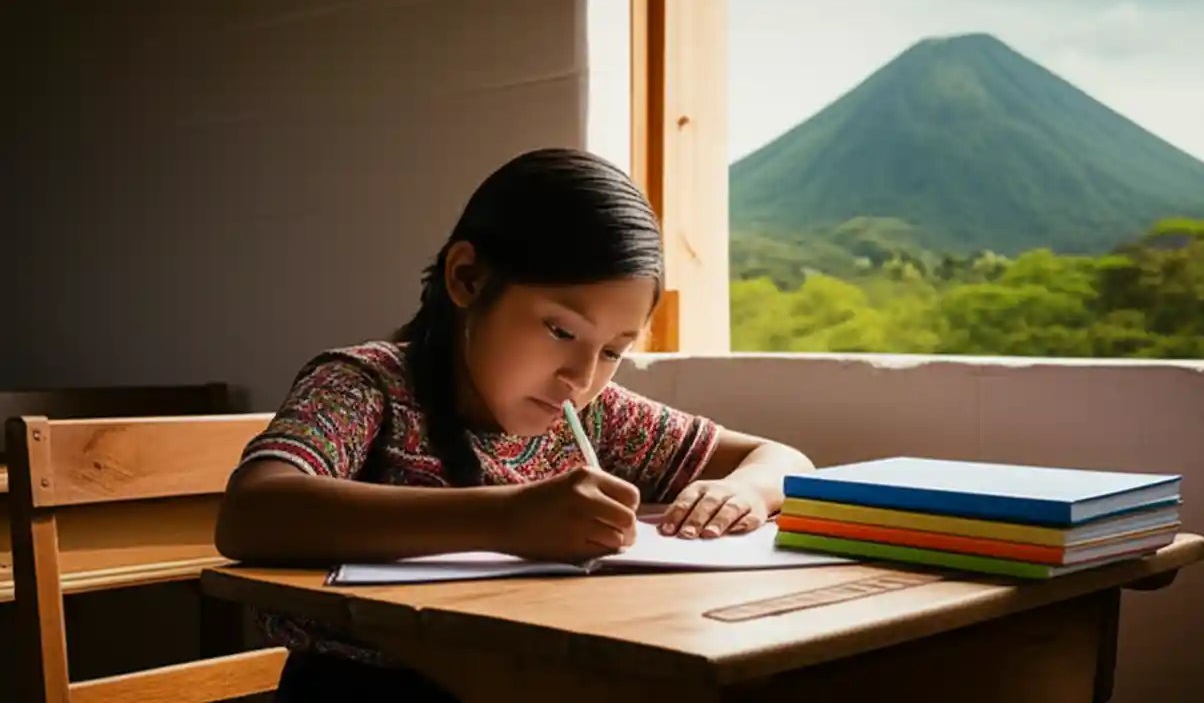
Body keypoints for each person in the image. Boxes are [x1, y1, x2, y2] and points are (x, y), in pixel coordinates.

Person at [214, 147, 816, 700]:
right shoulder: (368, 385)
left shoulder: (594, 414)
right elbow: (252, 513)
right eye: (561, 331)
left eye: (613, 351)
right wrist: (508, 517)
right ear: (467, 279)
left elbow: (782, 460)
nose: (581, 376)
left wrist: (740, 490)